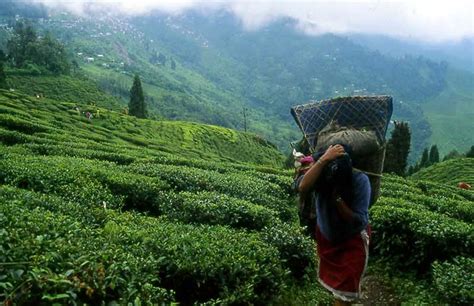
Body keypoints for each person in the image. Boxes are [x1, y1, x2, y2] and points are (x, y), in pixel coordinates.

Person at [297, 144, 371, 305]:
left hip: (351, 239)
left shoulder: (359, 180)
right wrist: (324, 160)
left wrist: (337, 200)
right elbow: (302, 187)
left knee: (346, 289)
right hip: (327, 235)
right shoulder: (320, 174)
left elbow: (359, 219)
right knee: (333, 282)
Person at [292, 154, 317, 239]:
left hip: (304, 209)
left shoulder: (299, 175)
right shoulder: (304, 177)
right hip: (308, 210)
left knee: (306, 230)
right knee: (310, 232)